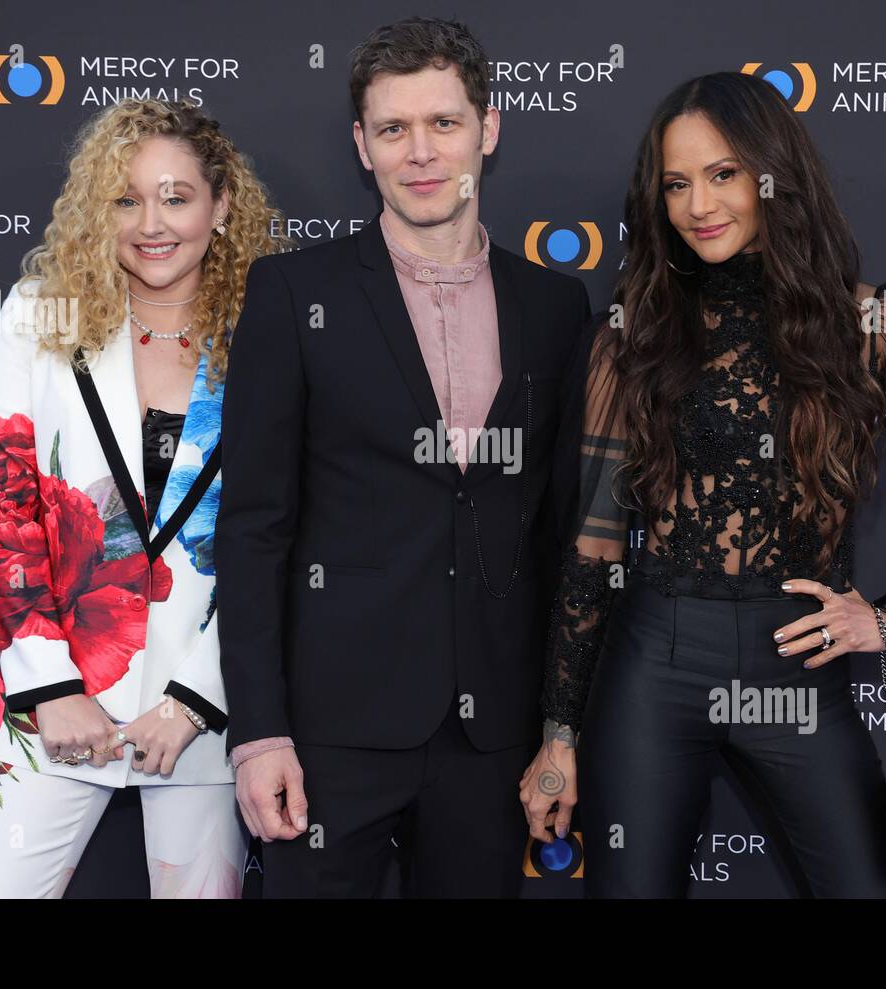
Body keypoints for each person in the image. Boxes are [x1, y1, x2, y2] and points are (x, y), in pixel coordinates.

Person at [518, 71, 886, 898]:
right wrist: (559, 735)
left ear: (771, 176)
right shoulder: (632, 335)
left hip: (801, 668)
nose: (698, 205)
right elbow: (594, 547)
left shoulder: (867, 323)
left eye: (723, 174)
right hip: (653, 664)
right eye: (676, 183)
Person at [215, 16, 590, 897]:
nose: (420, 153)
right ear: (363, 145)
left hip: (492, 736)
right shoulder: (293, 293)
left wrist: (558, 727)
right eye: (393, 129)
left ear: (487, 129)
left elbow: (564, 535)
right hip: (329, 733)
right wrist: (260, 733)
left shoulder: (556, 306)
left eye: (444, 124)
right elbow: (254, 528)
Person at [0, 98, 285, 898]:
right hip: (54, 709)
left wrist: (198, 699)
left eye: (175, 196)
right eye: (125, 199)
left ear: (222, 204)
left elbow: (281, 531)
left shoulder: (272, 331)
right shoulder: (40, 315)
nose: (151, 223)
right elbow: (8, 514)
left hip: (203, 722)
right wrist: (53, 686)